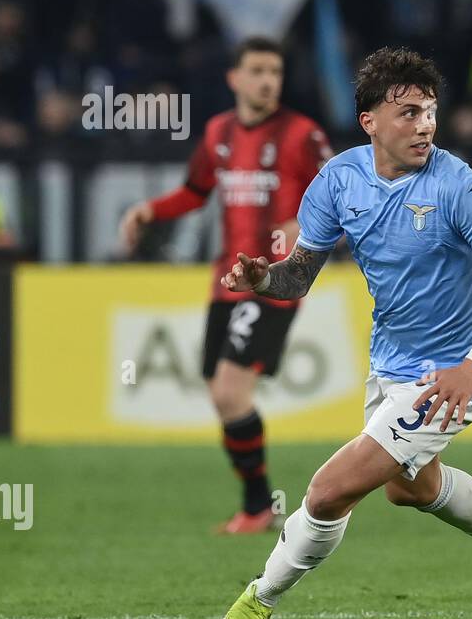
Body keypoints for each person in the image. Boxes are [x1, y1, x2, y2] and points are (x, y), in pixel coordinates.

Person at [206, 47, 472, 619]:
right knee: (410, 489)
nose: (425, 124)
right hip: (391, 365)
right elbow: (300, 275)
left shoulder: (460, 187)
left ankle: (255, 600)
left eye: (430, 111)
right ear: (369, 120)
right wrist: (264, 278)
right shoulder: (339, 181)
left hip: (449, 378)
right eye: (408, 113)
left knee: (328, 491)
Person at [119, 36, 332, 532]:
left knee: (231, 392)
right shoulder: (218, 132)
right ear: (234, 78)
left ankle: (259, 506)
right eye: (257, 70)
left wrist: (308, 225)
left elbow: (341, 191)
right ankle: (258, 505)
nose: (267, 80)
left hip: (273, 281)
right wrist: (149, 210)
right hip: (224, 283)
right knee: (220, 394)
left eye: (275, 72)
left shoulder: (303, 134)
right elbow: (196, 193)